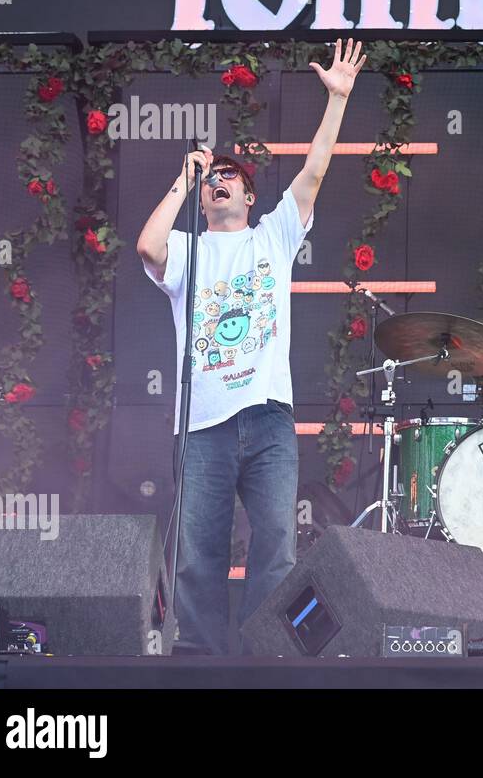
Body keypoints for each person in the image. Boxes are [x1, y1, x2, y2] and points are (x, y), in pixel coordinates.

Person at [136, 39, 367, 654]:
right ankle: (199, 664)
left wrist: (337, 101)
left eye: (229, 177)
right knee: (197, 557)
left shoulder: (272, 237)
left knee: (277, 548)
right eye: (213, 177)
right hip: (203, 424)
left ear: (249, 196)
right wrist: (182, 181)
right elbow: (147, 248)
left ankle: (270, 659)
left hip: (267, 418)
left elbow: (315, 170)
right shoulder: (189, 248)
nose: (219, 182)